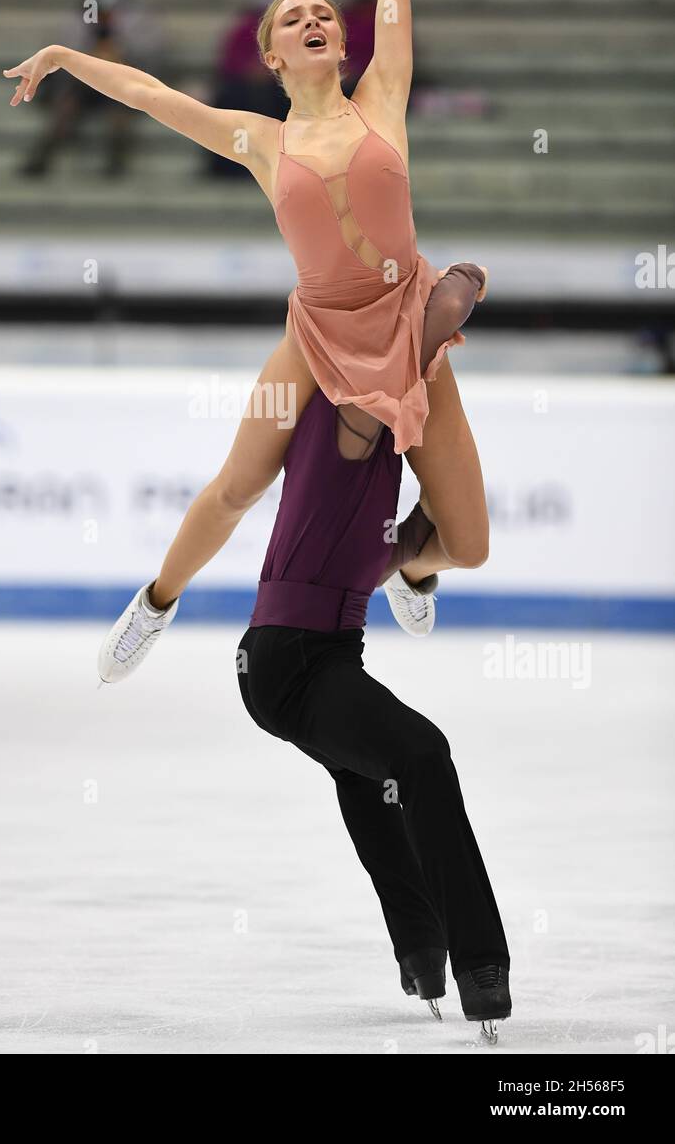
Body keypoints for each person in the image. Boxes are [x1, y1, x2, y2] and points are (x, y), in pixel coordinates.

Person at [2, 0, 489, 659]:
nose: (313, 19)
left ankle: (406, 564)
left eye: (323, 12)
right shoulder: (260, 140)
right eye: (293, 17)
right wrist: (65, 55)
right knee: (240, 482)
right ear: (273, 57)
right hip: (318, 335)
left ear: (340, 41)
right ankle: (157, 604)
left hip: (409, 323)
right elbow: (151, 96)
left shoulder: (384, 96)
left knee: (467, 544)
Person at [102, 387, 513, 1032]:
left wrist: (413, 560)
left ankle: (423, 954)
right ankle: (480, 966)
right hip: (287, 663)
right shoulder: (346, 423)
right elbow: (235, 491)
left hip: (316, 664)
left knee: (372, 777)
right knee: (421, 756)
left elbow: (449, 519)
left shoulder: (388, 500)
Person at [19, 0, 164, 179]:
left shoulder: (137, 17)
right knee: (65, 109)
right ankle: (41, 158)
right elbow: (61, 50)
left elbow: (152, 49)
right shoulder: (79, 15)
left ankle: (116, 163)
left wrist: (120, 54)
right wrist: (89, 57)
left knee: (119, 117)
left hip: (123, 81)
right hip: (82, 82)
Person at [203, 0, 290, 180]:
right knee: (228, 100)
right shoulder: (244, 23)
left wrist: (273, 70)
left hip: (283, 82)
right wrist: (249, 69)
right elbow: (229, 58)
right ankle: (229, 165)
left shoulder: (292, 24)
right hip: (243, 82)